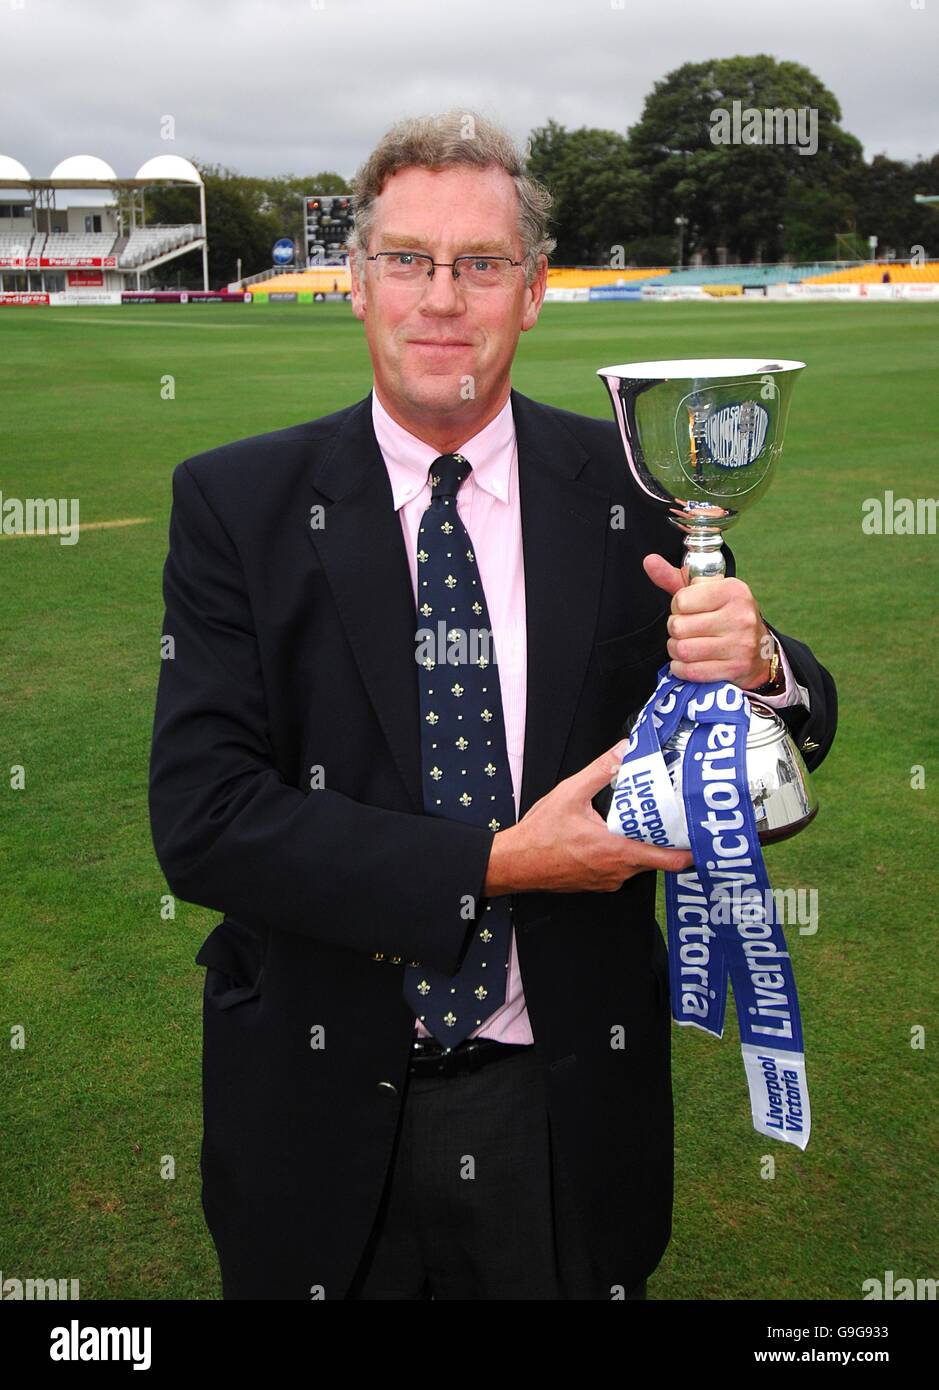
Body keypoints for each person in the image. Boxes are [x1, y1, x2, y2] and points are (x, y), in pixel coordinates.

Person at [148, 109, 837, 1300]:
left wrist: (758, 657)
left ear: (531, 293)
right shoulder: (236, 505)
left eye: (481, 264)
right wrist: (503, 862)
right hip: (314, 1106)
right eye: (407, 259)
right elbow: (203, 819)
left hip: (563, 1111)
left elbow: (801, 726)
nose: (442, 297)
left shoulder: (633, 491)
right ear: (356, 283)